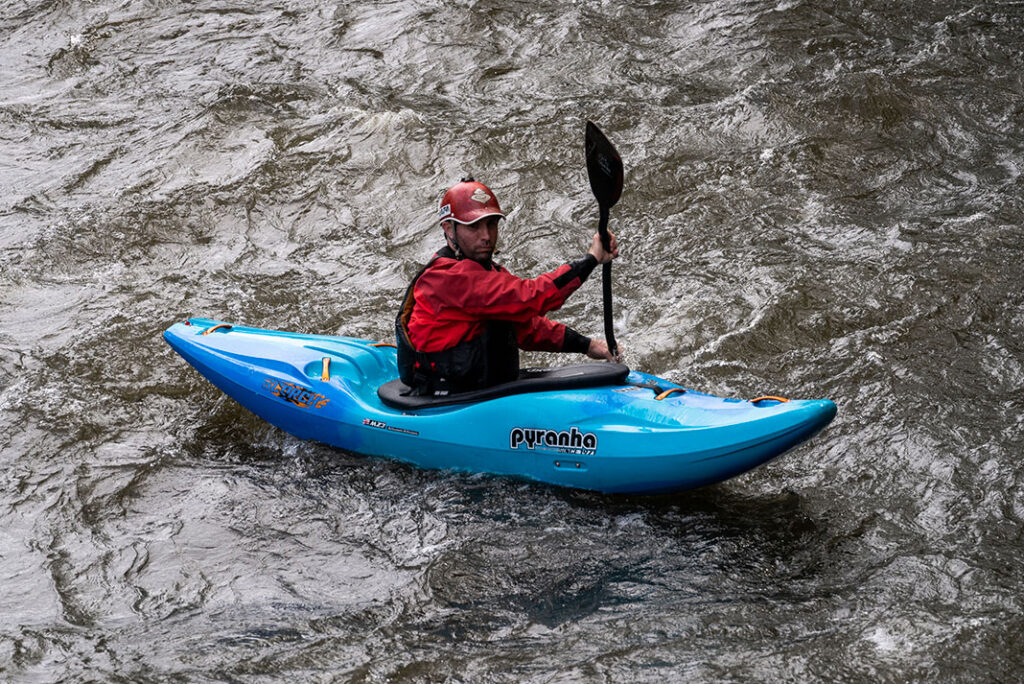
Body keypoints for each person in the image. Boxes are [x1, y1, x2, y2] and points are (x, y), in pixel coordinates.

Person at [395, 177, 620, 396]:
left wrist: (587, 345)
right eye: (474, 226)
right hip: (446, 398)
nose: (486, 236)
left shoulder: (489, 273)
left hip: (482, 391)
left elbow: (526, 328)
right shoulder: (446, 278)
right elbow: (531, 297)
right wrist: (590, 260)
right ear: (448, 229)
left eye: (491, 224)